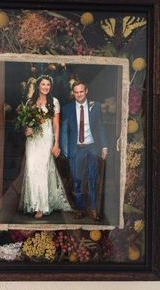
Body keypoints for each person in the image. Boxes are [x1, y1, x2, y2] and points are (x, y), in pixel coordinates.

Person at [20, 75, 72, 219]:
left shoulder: (54, 102)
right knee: (31, 168)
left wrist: (56, 144)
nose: (45, 87)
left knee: (42, 170)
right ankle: (33, 203)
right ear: (38, 86)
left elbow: (56, 125)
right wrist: (27, 129)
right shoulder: (31, 102)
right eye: (43, 84)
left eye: (48, 84)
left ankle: (41, 207)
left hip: (46, 138)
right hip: (32, 140)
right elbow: (26, 121)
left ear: (50, 87)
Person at [60, 80, 108, 219]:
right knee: (76, 180)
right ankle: (79, 209)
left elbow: (100, 127)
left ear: (86, 91)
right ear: (73, 93)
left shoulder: (95, 106)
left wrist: (104, 146)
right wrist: (65, 151)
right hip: (76, 149)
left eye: (81, 91)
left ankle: (92, 209)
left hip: (92, 147)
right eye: (76, 92)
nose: (79, 94)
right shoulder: (67, 109)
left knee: (92, 178)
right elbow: (64, 130)